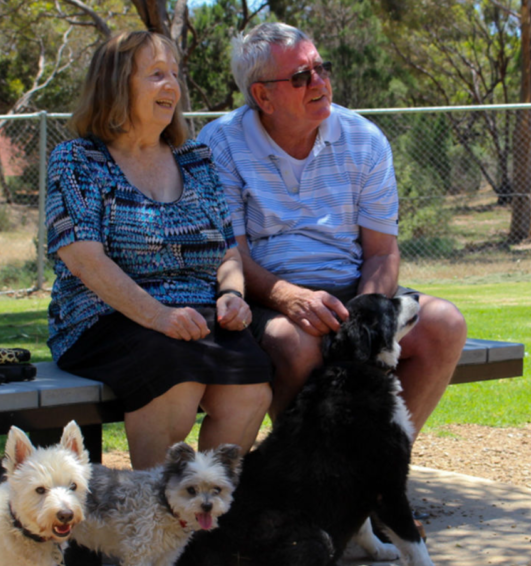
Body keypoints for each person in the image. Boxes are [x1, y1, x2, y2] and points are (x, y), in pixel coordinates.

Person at [197, 23, 467, 439]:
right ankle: (308, 477)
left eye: (321, 68)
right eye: (301, 77)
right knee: (296, 343)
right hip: (267, 301)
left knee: (444, 324)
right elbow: (231, 256)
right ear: (262, 96)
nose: (319, 82)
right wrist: (290, 298)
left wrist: (365, 315)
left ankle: (379, 465)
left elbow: (381, 252)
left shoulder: (364, 140)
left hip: (350, 294)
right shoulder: (220, 143)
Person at [46, 30, 271, 472]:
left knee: (252, 381)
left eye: (174, 75)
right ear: (116, 84)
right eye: (155, 75)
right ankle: (155, 518)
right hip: (103, 318)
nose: (172, 86)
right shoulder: (77, 160)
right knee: (174, 374)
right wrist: (158, 316)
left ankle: (205, 512)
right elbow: (82, 257)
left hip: (193, 317)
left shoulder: (195, 159)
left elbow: (227, 252)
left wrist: (232, 295)